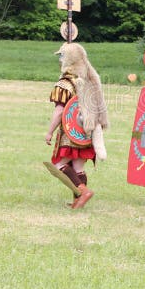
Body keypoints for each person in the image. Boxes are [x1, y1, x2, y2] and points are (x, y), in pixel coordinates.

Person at [44, 42, 108, 209]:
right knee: (78, 166)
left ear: (68, 60)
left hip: (71, 132)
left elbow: (59, 111)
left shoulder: (65, 84)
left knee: (60, 165)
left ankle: (83, 191)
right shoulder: (87, 80)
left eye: (61, 56)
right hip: (85, 132)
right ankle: (77, 201)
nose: (59, 60)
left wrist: (49, 132)